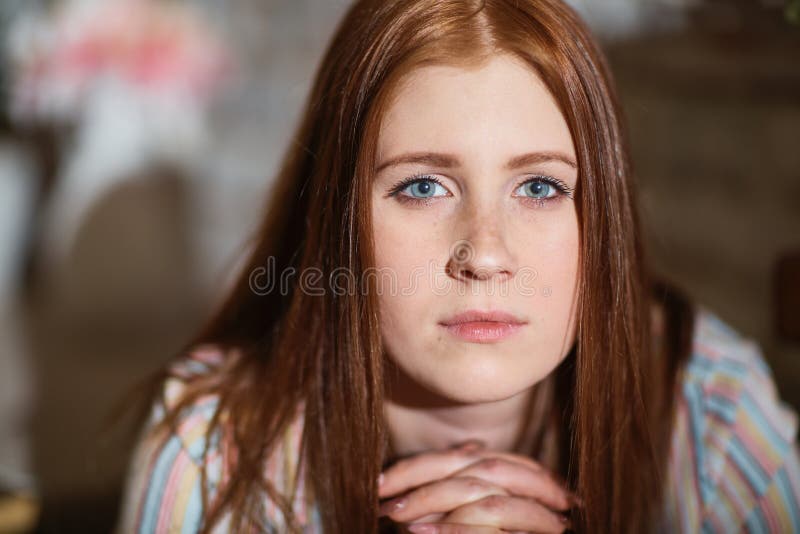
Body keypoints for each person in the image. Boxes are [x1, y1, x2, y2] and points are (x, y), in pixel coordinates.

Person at [115, 0, 800, 532]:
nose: (487, 255)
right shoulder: (219, 451)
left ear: (602, 220)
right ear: (337, 221)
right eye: (422, 186)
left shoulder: (711, 414)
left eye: (539, 188)